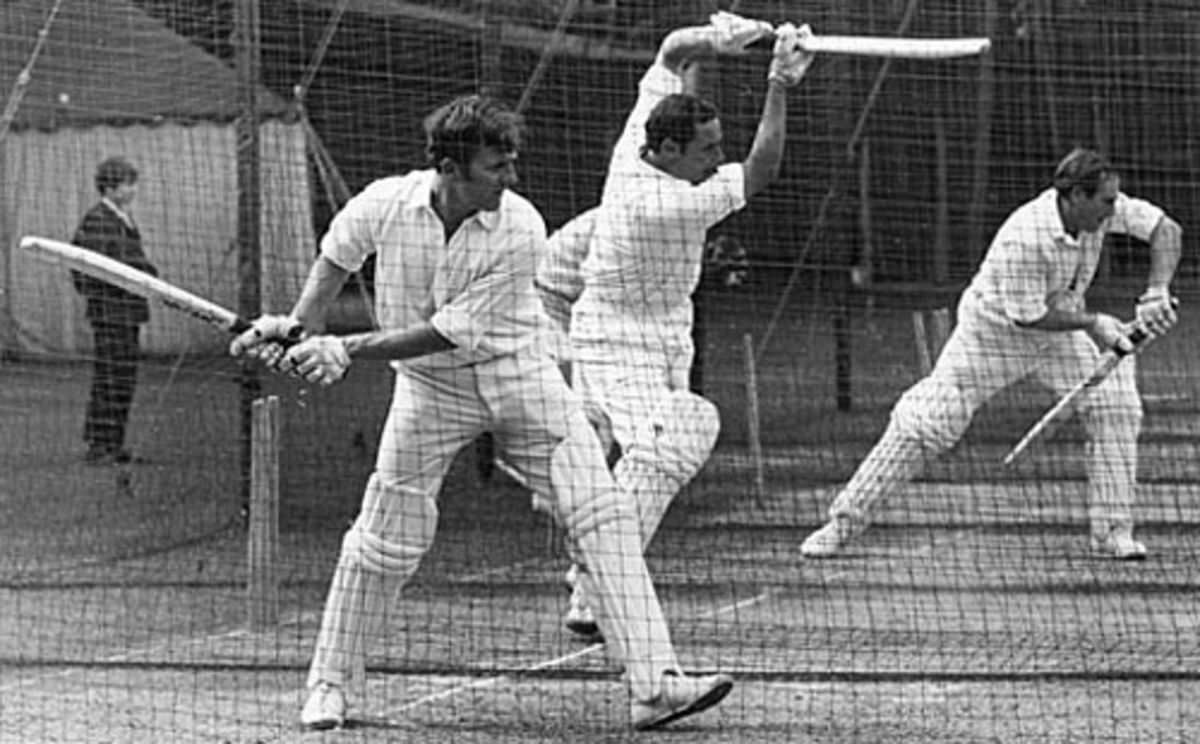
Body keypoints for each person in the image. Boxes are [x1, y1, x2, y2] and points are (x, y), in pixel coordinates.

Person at [230, 94, 734, 732]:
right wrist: (300, 331)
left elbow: (448, 330)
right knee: (383, 542)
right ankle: (330, 686)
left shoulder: (520, 226)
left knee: (603, 516)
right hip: (430, 394)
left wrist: (344, 348)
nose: (511, 178)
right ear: (449, 167)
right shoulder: (384, 203)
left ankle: (656, 687)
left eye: (511, 163)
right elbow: (336, 259)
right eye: (497, 166)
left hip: (521, 380)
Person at [536, 12, 815, 638]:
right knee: (677, 435)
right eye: (708, 151)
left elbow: (668, 50)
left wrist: (715, 40)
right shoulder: (663, 202)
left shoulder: (647, 130)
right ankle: (603, 576)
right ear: (666, 153)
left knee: (644, 453)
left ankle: (589, 581)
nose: (718, 158)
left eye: (718, 147)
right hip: (613, 340)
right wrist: (779, 82)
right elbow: (762, 170)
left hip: (664, 334)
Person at [801, 147, 1182, 560]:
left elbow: (1166, 229)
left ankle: (1112, 532)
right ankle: (842, 523)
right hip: (993, 337)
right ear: (1074, 196)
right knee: (930, 419)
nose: (1112, 210)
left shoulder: (1103, 208)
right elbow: (1029, 316)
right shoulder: (1027, 236)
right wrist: (1094, 323)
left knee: (1116, 404)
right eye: (1105, 202)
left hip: (1057, 333)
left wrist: (1156, 290)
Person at [72, 156, 158, 465]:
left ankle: (114, 443)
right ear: (109, 187)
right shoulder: (98, 220)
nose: (133, 190)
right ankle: (99, 446)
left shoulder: (122, 218)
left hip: (127, 313)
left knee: (123, 379)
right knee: (109, 378)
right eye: (127, 184)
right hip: (111, 315)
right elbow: (85, 271)